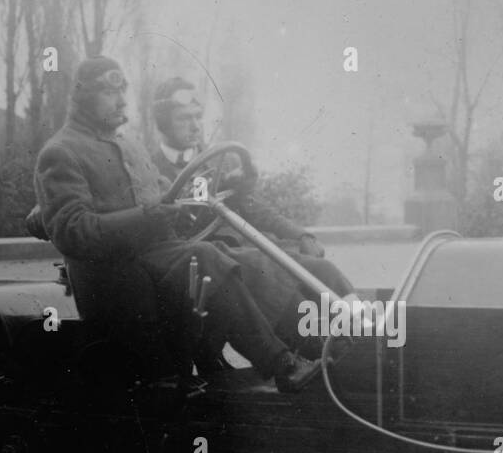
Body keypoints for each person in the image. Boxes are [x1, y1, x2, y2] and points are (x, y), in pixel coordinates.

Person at [33, 56, 321, 392]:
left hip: (154, 259)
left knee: (252, 261)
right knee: (205, 256)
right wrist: (146, 217)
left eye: (123, 91)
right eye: (109, 93)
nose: (122, 100)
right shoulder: (61, 151)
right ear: (81, 95)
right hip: (114, 272)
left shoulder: (129, 146)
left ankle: (311, 348)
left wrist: (187, 203)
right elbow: (72, 231)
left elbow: (161, 196)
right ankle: (280, 363)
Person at [148, 77, 355, 314]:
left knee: (324, 271)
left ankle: (366, 334)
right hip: (216, 265)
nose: (196, 126)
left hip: (247, 252)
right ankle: (330, 345)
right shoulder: (149, 170)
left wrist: (299, 234)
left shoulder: (217, 161)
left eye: (198, 116)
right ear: (163, 123)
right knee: (286, 294)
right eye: (185, 118)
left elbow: (252, 206)